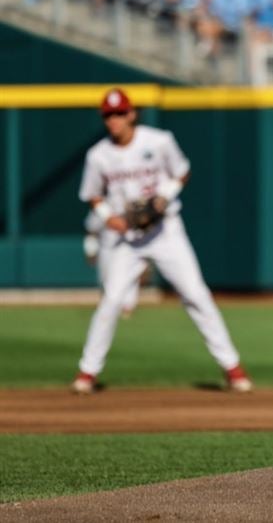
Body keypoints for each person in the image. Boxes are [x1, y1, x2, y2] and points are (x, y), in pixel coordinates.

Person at [71, 88, 252, 395]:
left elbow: (182, 171)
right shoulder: (98, 155)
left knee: (196, 294)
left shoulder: (159, 140)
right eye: (108, 115)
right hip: (128, 236)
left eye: (119, 113)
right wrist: (108, 217)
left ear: (132, 114)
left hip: (165, 230)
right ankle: (87, 373)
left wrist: (164, 196)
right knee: (112, 300)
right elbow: (91, 194)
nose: (113, 120)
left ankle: (233, 369)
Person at [83, 210, 142, 320]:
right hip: (107, 249)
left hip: (128, 248)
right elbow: (91, 231)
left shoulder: (130, 204)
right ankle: (107, 309)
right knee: (106, 280)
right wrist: (90, 250)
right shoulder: (100, 210)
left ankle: (127, 308)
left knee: (130, 279)